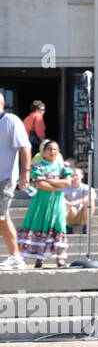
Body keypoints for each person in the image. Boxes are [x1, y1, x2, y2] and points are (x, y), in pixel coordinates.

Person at [17, 139, 74, 267]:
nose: (52, 151)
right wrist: (57, 186)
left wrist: (48, 180)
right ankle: (39, 258)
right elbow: (39, 184)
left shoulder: (64, 166)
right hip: (41, 201)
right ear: (43, 152)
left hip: (57, 201)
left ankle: (60, 258)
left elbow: (68, 182)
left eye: (55, 149)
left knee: (59, 225)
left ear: (58, 151)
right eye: (49, 149)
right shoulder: (38, 166)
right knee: (41, 225)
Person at [0, 94, 33, 270]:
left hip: (4, 178)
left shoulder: (10, 120)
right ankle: (15, 257)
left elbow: (25, 146)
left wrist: (25, 173)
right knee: (3, 217)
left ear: (2, 103)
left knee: (1, 217)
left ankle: (16, 258)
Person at [62, 166, 95, 234]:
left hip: (81, 215)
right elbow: (60, 197)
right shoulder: (65, 188)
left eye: (76, 175)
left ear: (82, 176)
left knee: (91, 203)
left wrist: (76, 202)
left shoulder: (85, 187)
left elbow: (93, 195)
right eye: (72, 175)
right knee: (60, 203)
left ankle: (86, 226)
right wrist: (70, 205)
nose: (74, 177)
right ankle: (67, 226)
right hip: (69, 214)